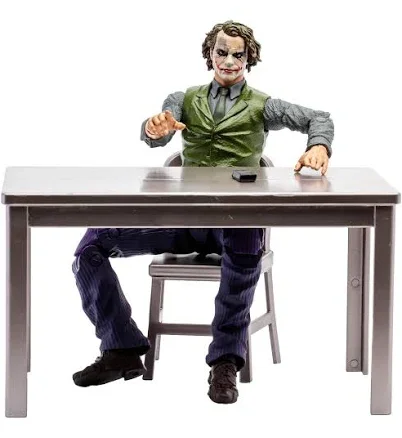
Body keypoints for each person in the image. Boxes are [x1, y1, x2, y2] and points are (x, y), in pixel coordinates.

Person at [72, 20, 334, 405]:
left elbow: (318, 117)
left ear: (249, 58)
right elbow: (157, 128)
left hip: (236, 222)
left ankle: (226, 361)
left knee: (245, 241)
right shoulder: (186, 99)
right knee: (91, 245)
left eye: (238, 55)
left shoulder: (263, 105)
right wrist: (156, 127)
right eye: (221, 52)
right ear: (210, 54)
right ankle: (121, 347)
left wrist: (319, 146)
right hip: (183, 220)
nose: (228, 61)